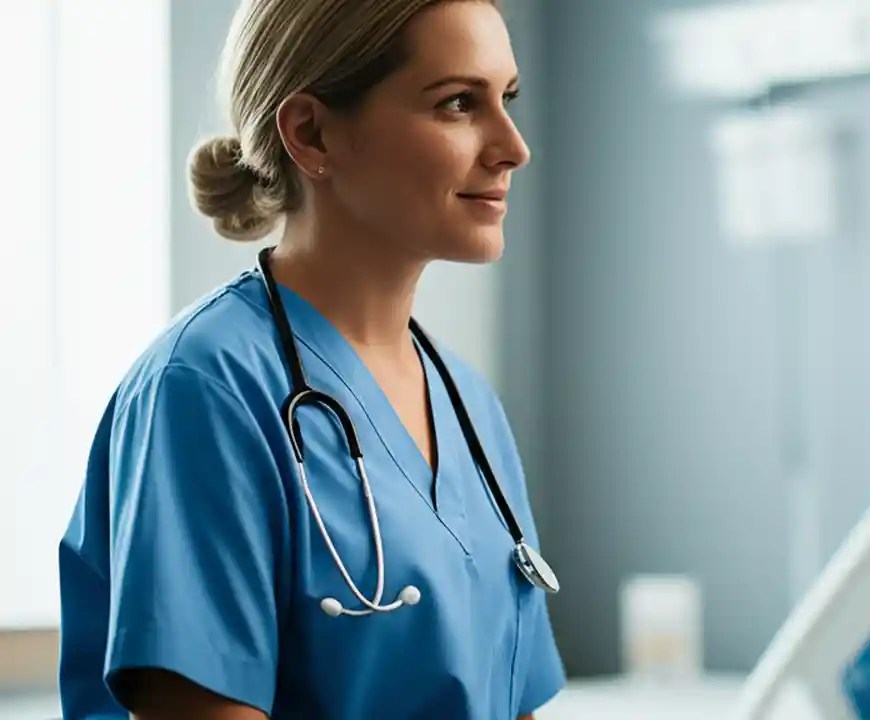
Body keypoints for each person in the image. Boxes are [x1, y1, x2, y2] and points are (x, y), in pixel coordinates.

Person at [57, 1, 565, 718]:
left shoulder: (468, 405)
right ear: (311, 132)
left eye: (505, 99)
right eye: (458, 103)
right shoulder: (206, 389)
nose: (513, 146)